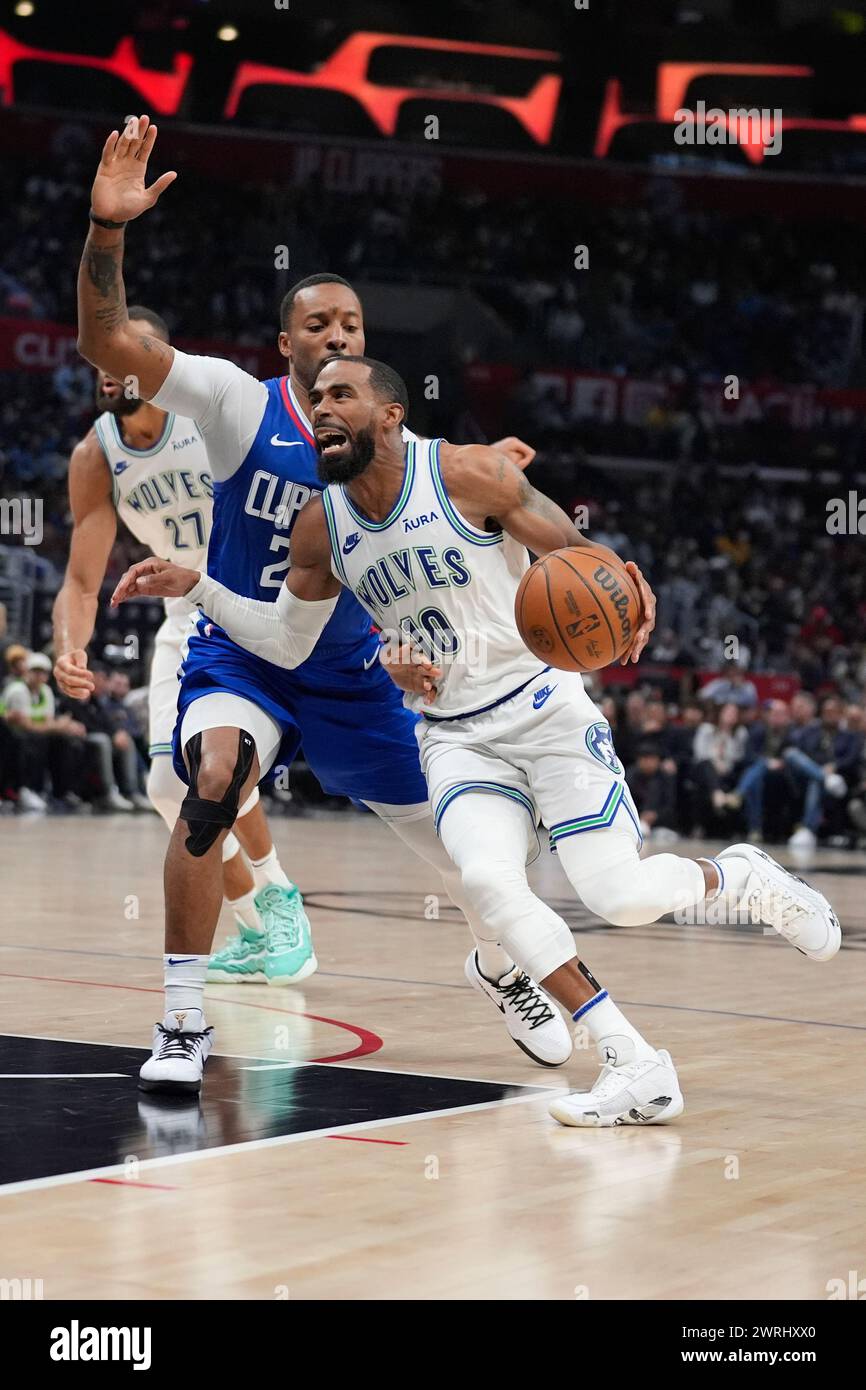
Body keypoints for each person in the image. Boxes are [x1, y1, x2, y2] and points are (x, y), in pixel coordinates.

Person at [115, 353, 842, 1128]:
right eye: (315, 398)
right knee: (490, 885)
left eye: (341, 396)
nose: (322, 409)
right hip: (456, 737)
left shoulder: (470, 475)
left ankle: (743, 880)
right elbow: (285, 645)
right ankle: (633, 1061)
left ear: (391, 414)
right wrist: (198, 588)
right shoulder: (320, 526)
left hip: (546, 711)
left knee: (619, 896)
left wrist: (627, 596)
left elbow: (578, 562)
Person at [78, 115, 575, 1093]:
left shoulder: (397, 447)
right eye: (317, 323)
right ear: (284, 342)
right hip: (248, 653)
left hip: (356, 673)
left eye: (349, 324)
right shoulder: (231, 403)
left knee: (474, 865)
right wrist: (107, 231)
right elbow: (110, 342)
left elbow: (441, 565)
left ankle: (502, 963)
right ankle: (182, 1017)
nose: (337, 334)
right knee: (204, 786)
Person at [53, 305, 299, 980]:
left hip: (255, 595)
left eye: (129, 351)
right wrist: (70, 645)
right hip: (187, 608)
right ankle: (256, 929)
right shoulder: (96, 454)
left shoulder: (212, 413)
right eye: (104, 356)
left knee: (209, 773)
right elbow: (80, 578)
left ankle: (279, 894)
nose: (111, 367)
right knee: (168, 786)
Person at [784, 695, 863, 850]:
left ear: (841, 714)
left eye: (833, 712)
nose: (828, 715)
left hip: (841, 781)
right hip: (812, 776)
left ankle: (808, 829)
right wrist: (823, 771)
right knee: (791, 753)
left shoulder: (850, 736)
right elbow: (806, 753)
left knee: (816, 782)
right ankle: (826, 778)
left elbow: (851, 760)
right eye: (826, 711)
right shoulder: (812, 732)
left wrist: (834, 767)